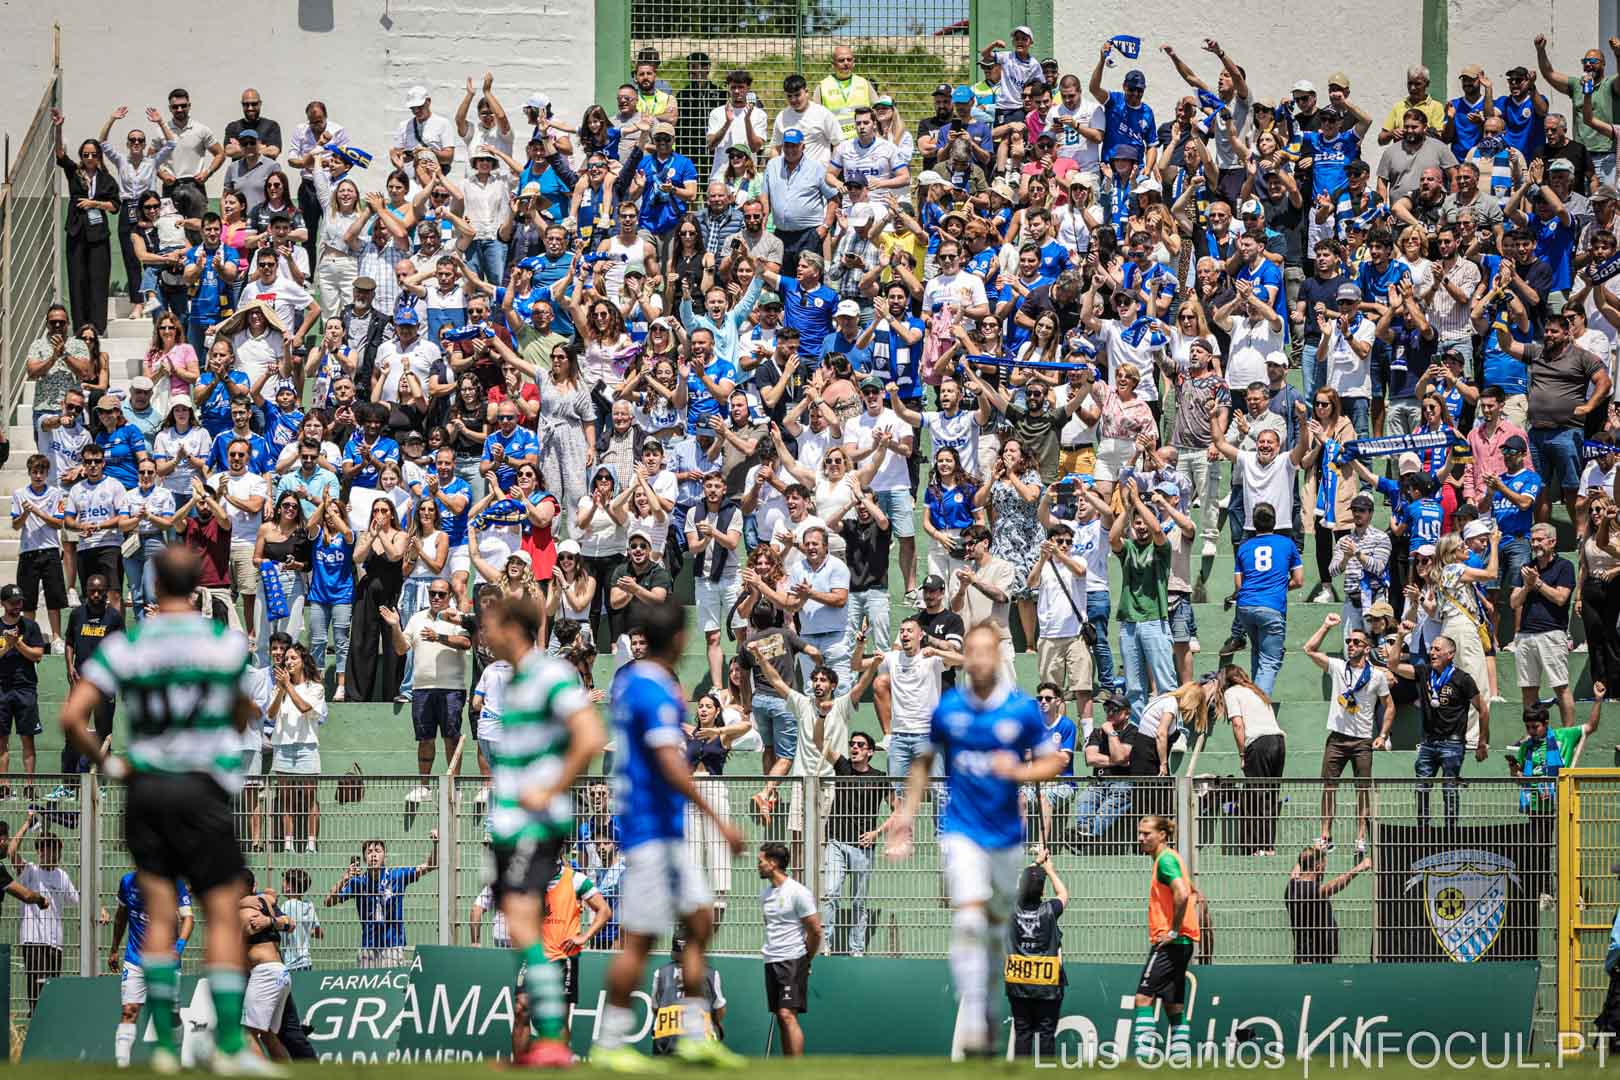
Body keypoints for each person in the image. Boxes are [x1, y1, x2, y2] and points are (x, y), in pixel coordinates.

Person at [58, 545, 280, 1075]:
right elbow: (242, 709)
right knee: (221, 910)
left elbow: (72, 716)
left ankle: (160, 1047)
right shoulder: (223, 643)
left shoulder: (127, 644)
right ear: (198, 587)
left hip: (147, 787)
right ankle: (230, 1047)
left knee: (159, 911)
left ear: (154, 587)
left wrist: (110, 766)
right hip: (201, 786)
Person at [886, 622, 1063, 1057]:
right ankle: (976, 1020)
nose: (980, 660)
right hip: (961, 830)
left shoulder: (1021, 711)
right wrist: (906, 814)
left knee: (996, 929)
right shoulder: (949, 708)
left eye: (987, 651)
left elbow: (1054, 762)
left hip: (1006, 836)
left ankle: (985, 1005)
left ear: (998, 656)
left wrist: (1018, 771)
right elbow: (923, 762)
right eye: (973, 651)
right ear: (965, 657)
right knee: (967, 919)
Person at [592, 603, 745, 1071]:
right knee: (640, 942)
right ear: (679, 639)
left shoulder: (638, 683)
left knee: (699, 922)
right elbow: (669, 764)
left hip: (666, 830)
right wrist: (718, 820)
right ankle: (609, 1044)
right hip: (650, 831)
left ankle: (696, 1034)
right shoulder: (652, 687)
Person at [480, 594, 605, 1065]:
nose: (485, 633)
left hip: (536, 822)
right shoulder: (513, 680)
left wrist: (549, 787)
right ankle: (550, 1042)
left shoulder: (550, 675)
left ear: (514, 628)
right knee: (521, 928)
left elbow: (590, 736)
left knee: (522, 923)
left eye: (492, 624)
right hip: (510, 826)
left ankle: (552, 1039)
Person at [1303, 613, 1393, 857]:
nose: (1350, 645)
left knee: (1362, 789)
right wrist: (1326, 626)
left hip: (1362, 740)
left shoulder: (1376, 676)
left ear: (1367, 648)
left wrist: (1383, 735)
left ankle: (1360, 837)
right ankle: (1325, 836)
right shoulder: (1338, 667)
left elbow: (1389, 706)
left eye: (1356, 642)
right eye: (1348, 641)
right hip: (1337, 738)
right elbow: (1309, 649)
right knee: (1328, 787)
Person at [1388, 633, 1488, 831]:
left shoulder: (1462, 679)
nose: (1432, 652)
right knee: (1421, 787)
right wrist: (1400, 636)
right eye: (1431, 648)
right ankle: (1423, 830)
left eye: (1437, 649)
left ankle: (1450, 832)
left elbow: (1483, 710)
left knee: (1449, 788)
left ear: (1450, 654)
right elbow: (1393, 664)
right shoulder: (1424, 672)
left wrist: (1482, 742)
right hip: (1428, 742)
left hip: (1453, 743)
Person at [382, 581, 471, 803]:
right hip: (422, 689)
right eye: (433, 593)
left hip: (452, 689)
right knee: (424, 739)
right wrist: (395, 626)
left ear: (450, 596)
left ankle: (454, 786)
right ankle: (424, 787)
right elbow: (401, 648)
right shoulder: (417, 618)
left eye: (441, 594)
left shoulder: (456, 617)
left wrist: (439, 637)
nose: (436, 597)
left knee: (451, 738)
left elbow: (465, 642)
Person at [1129, 815, 1200, 1063]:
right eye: (1140, 833)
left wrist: (1173, 930)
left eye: (1146, 833)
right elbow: (1192, 892)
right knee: (1173, 1005)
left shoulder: (1166, 860)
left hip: (1170, 943)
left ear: (1162, 835)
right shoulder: (1172, 857)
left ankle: (1143, 1059)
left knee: (1143, 998)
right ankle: (1180, 1059)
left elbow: (1182, 893)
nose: (1141, 838)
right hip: (1183, 944)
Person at [108, 870, 194, 1067]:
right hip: (134, 959)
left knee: (171, 1015)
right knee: (129, 1011)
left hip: (166, 960)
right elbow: (121, 916)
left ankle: (174, 1057)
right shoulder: (127, 882)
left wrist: (179, 947)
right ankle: (122, 1067)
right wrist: (114, 949)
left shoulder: (174, 883)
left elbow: (188, 919)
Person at [323, 834, 438, 967]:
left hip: (392, 947)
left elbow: (430, 865)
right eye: (369, 852)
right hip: (368, 948)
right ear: (364, 858)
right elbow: (328, 902)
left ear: (384, 856)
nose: (373, 855)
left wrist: (436, 843)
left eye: (377, 851)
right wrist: (344, 880)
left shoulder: (396, 876)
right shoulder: (358, 883)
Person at [756, 841, 821, 1058]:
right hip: (771, 960)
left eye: (760, 861)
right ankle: (788, 1067)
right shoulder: (765, 895)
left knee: (787, 1014)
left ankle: (797, 1069)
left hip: (793, 959)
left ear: (773, 863)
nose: (758, 866)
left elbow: (815, 930)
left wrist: (806, 959)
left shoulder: (798, 892)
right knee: (780, 1016)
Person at [1509, 522, 1577, 727]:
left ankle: (1568, 734)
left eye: (1540, 539)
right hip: (1525, 636)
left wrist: (1537, 583)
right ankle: (1533, 733)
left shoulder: (1564, 566)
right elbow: (1514, 602)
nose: (1535, 544)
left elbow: (1561, 598)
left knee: (1560, 686)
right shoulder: (1526, 568)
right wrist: (1527, 586)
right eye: (1533, 540)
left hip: (1552, 633)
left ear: (1552, 541)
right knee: (1528, 689)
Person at [1005, 849, 1069, 1059]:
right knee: (1046, 1033)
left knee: (1022, 1032)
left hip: (1018, 983)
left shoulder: (1010, 909)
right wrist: (1050, 870)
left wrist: (1035, 863)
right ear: (1042, 891)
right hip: (1047, 984)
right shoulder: (1051, 910)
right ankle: (1045, 1072)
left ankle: (1021, 1072)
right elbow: (1063, 895)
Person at [0, 584, 48, 796]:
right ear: (3, 603)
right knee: (2, 739)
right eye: (13, 603)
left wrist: (18, 644)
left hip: (25, 688)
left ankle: (29, 785)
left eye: (19, 602)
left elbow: (38, 655)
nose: (17, 606)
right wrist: (7, 646)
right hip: (2, 688)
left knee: (28, 738)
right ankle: (3, 785)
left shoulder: (30, 626)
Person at [1284, 848, 1371, 964]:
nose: (1324, 870)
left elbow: (1297, 868)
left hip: (1306, 954)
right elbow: (1334, 885)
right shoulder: (1312, 891)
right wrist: (1358, 868)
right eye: (1324, 866)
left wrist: (1313, 850)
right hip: (1314, 957)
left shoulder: (1291, 885)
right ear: (1318, 867)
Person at [649, 933, 727, 1056]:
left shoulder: (659, 973)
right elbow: (719, 1009)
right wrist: (716, 1023)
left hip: (664, 1040)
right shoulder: (711, 974)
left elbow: (655, 1008)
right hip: (699, 1039)